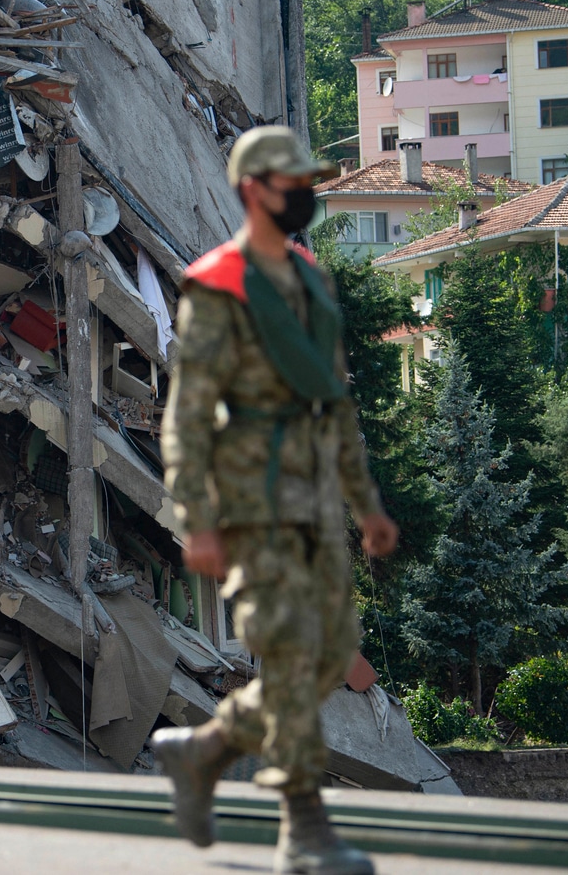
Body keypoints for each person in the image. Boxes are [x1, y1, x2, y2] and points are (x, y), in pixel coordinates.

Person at [152, 126, 397, 875]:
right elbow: (188, 411)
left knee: (327, 658)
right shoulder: (218, 285)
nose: (307, 198)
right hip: (252, 497)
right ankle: (302, 824)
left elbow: (335, 403)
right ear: (256, 189)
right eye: (295, 184)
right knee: (292, 652)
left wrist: (365, 504)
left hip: (317, 497)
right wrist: (194, 516)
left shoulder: (313, 281)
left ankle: (205, 749)